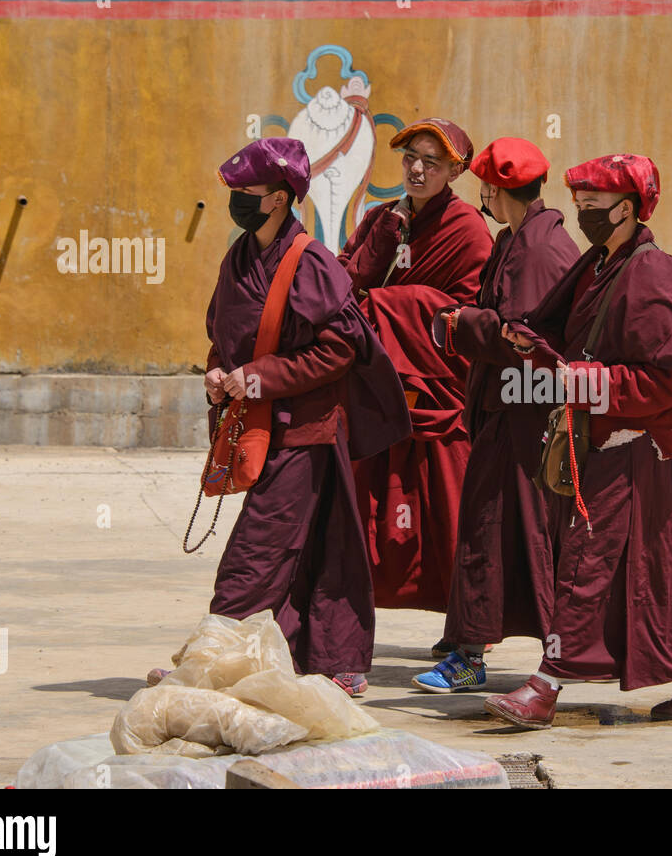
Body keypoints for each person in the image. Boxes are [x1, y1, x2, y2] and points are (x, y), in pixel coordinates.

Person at [483, 153, 672, 729]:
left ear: (627, 208)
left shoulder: (653, 273)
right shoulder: (599, 265)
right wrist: (531, 345)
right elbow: (561, 334)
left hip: (636, 450)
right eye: (579, 204)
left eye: (593, 205)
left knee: (584, 565)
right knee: (661, 572)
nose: (582, 215)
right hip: (604, 443)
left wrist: (589, 380)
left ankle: (545, 686)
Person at [193, 137, 411, 696]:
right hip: (258, 427)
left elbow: (339, 349)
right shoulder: (239, 257)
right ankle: (328, 661)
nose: (237, 200)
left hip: (306, 431)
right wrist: (218, 373)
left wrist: (260, 377)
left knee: (256, 548)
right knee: (320, 545)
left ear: (277, 198)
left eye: (247, 190)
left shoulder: (310, 260)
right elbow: (224, 334)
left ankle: (209, 659)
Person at [409, 138, 581, 692]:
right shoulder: (519, 238)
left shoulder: (538, 250)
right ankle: (532, 648)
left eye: (484, 187)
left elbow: (522, 337)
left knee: (491, 529)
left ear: (494, 189)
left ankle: (471, 654)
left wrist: (460, 324)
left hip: (522, 413)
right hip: (511, 409)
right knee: (512, 535)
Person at [337, 118, 493, 624]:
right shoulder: (381, 218)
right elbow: (343, 286)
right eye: (410, 158)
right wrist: (384, 239)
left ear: (455, 171)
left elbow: (467, 313)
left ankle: (466, 626)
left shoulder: (466, 228)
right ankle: (350, 616)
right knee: (369, 505)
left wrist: (387, 305)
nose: (417, 170)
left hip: (436, 387)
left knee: (449, 507)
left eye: (432, 162)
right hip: (380, 383)